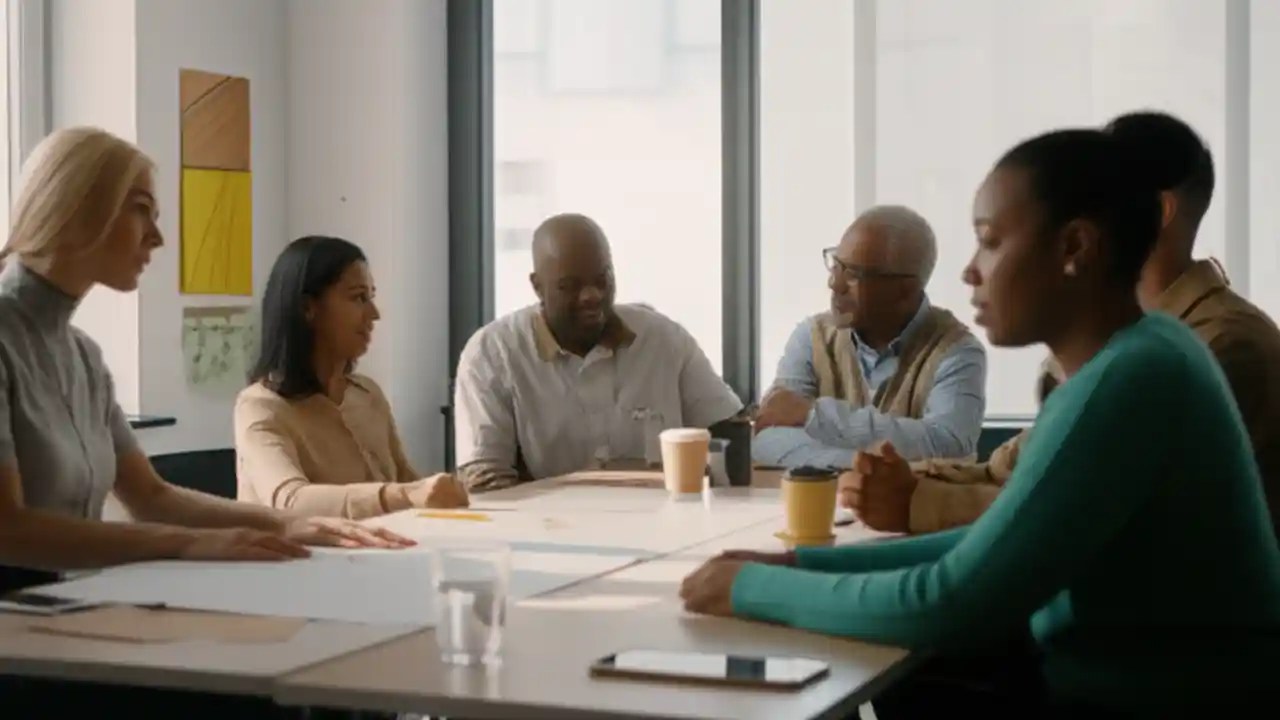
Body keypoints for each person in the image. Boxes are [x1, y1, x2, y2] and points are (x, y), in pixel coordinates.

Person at [680, 129, 1280, 716]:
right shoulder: (1146, 352)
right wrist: (800, 564)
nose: (970, 272)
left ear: (1075, 248)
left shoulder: (1134, 378)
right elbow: (992, 543)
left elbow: (951, 599)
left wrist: (747, 590)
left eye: (990, 242)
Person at [0, 128, 411, 713]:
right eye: (141, 210)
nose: (158, 237)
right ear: (76, 205)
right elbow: (9, 530)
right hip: (21, 646)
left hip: (75, 617)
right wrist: (194, 544)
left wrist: (283, 526)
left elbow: (151, 496)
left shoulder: (83, 356)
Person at [846, 111, 1280, 537]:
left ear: (1158, 210)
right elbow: (1018, 469)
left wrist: (919, 502)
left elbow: (1084, 510)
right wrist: (910, 478)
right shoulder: (1114, 340)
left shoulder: (1220, 347)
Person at [454, 213, 743, 491]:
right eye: (571, 286)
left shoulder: (663, 339)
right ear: (537, 286)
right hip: (550, 532)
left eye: (602, 280)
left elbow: (728, 435)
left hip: (664, 521)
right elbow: (485, 483)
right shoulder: (492, 354)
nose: (591, 295)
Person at [234, 236, 469, 519]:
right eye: (359, 298)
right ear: (308, 308)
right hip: (305, 561)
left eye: (371, 297)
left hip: (381, 554)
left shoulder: (367, 394)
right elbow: (290, 501)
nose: (374, 314)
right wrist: (404, 495)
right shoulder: (261, 406)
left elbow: (407, 480)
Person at [752, 205, 987, 469]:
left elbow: (948, 444)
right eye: (836, 265)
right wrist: (868, 465)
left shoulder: (957, 351)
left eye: (853, 275)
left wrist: (814, 416)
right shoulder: (811, 337)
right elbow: (769, 437)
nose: (835, 284)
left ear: (904, 291)